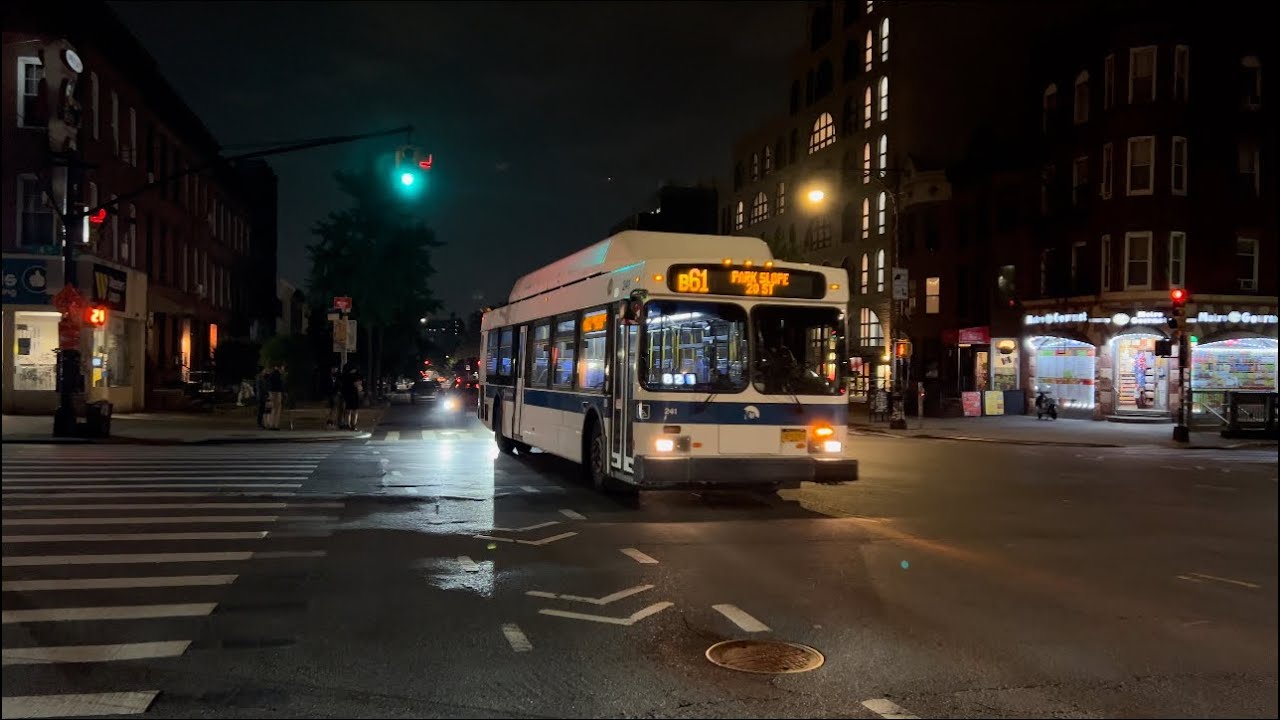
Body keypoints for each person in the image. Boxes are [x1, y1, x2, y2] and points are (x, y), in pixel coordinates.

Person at [341, 363, 362, 431]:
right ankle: (353, 425)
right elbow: (359, 387)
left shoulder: (344, 376)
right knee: (354, 410)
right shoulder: (355, 376)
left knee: (348, 410)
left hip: (348, 394)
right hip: (354, 394)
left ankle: (349, 424)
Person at [266, 364, 285, 430]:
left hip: (273, 391)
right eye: (283, 368)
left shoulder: (273, 374)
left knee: (274, 408)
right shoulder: (277, 374)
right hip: (276, 392)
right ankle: (274, 425)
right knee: (276, 408)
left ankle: (272, 424)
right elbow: (278, 385)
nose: (283, 370)